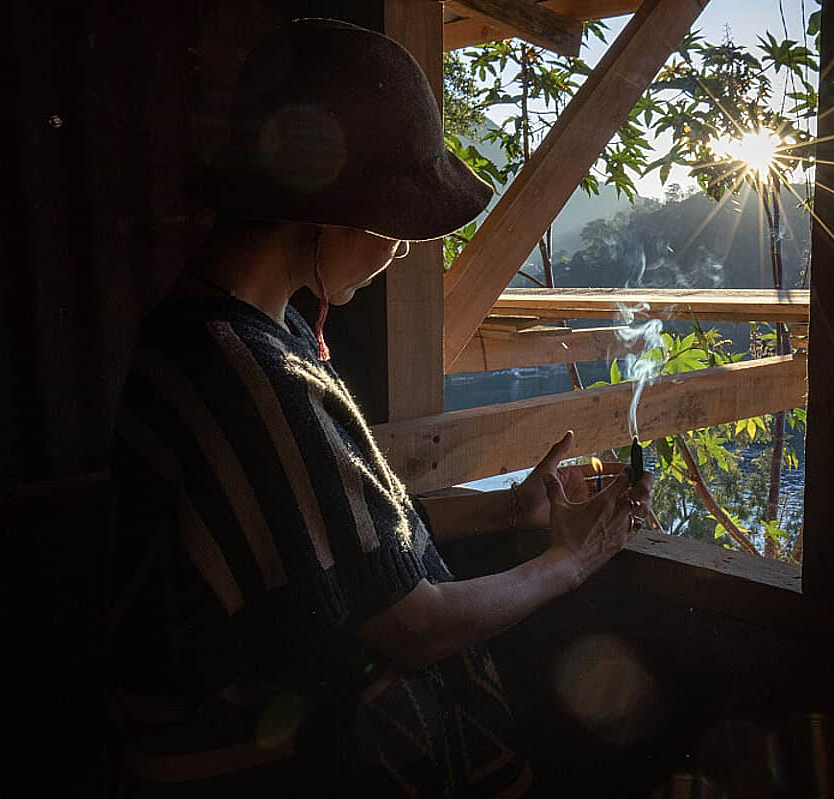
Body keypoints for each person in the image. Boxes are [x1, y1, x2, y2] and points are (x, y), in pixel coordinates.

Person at [105, 17, 653, 798]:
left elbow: (328, 545)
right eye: (397, 220)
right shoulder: (244, 372)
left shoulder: (238, 332)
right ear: (327, 208)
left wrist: (504, 514)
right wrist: (570, 561)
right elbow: (414, 622)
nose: (403, 247)